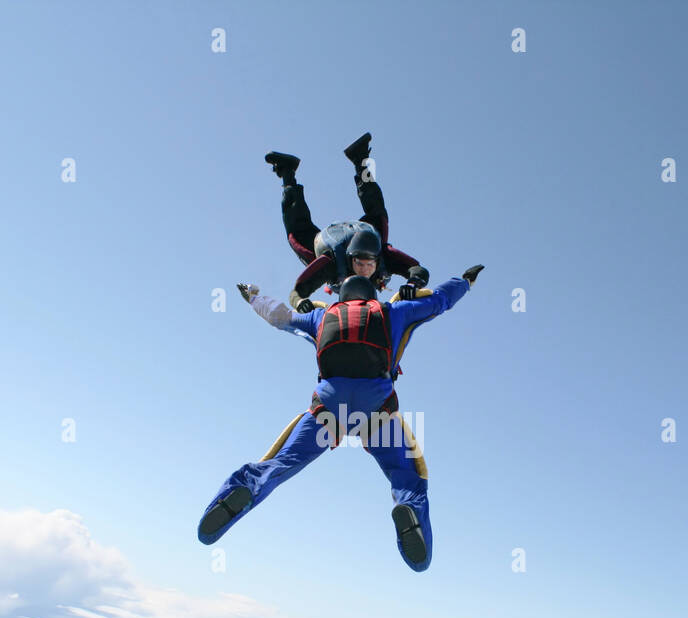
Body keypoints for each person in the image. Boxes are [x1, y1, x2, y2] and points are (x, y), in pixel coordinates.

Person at [198, 265, 485, 571]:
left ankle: (246, 491)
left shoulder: (321, 316)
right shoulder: (394, 312)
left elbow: (279, 316)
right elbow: (440, 300)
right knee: (408, 476)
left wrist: (253, 296)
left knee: (279, 462)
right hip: (376, 408)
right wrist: (465, 281)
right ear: (372, 294)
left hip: (329, 405)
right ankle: (407, 508)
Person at [265, 132, 429, 312]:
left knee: (377, 211)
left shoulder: (385, 255)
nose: (365, 270)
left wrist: (413, 284)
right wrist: (299, 302)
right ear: (350, 258)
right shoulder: (330, 262)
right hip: (331, 245)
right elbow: (297, 291)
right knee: (296, 234)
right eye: (360, 263)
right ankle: (357, 160)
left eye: (369, 264)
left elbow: (417, 269)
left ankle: (290, 173)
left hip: (365, 232)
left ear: (377, 259)